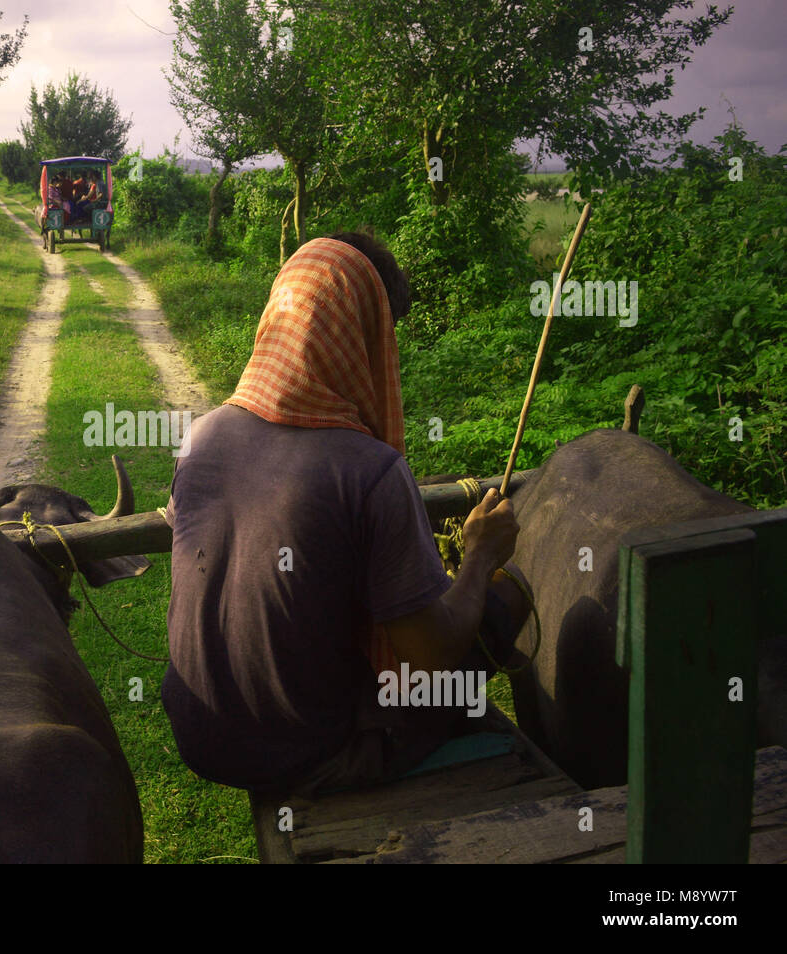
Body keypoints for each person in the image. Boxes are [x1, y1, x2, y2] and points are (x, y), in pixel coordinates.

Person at [161, 232, 533, 799]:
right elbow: (428, 659)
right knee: (510, 594)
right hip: (315, 754)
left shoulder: (202, 435)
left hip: (199, 734)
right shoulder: (370, 470)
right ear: (365, 338)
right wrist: (480, 557)